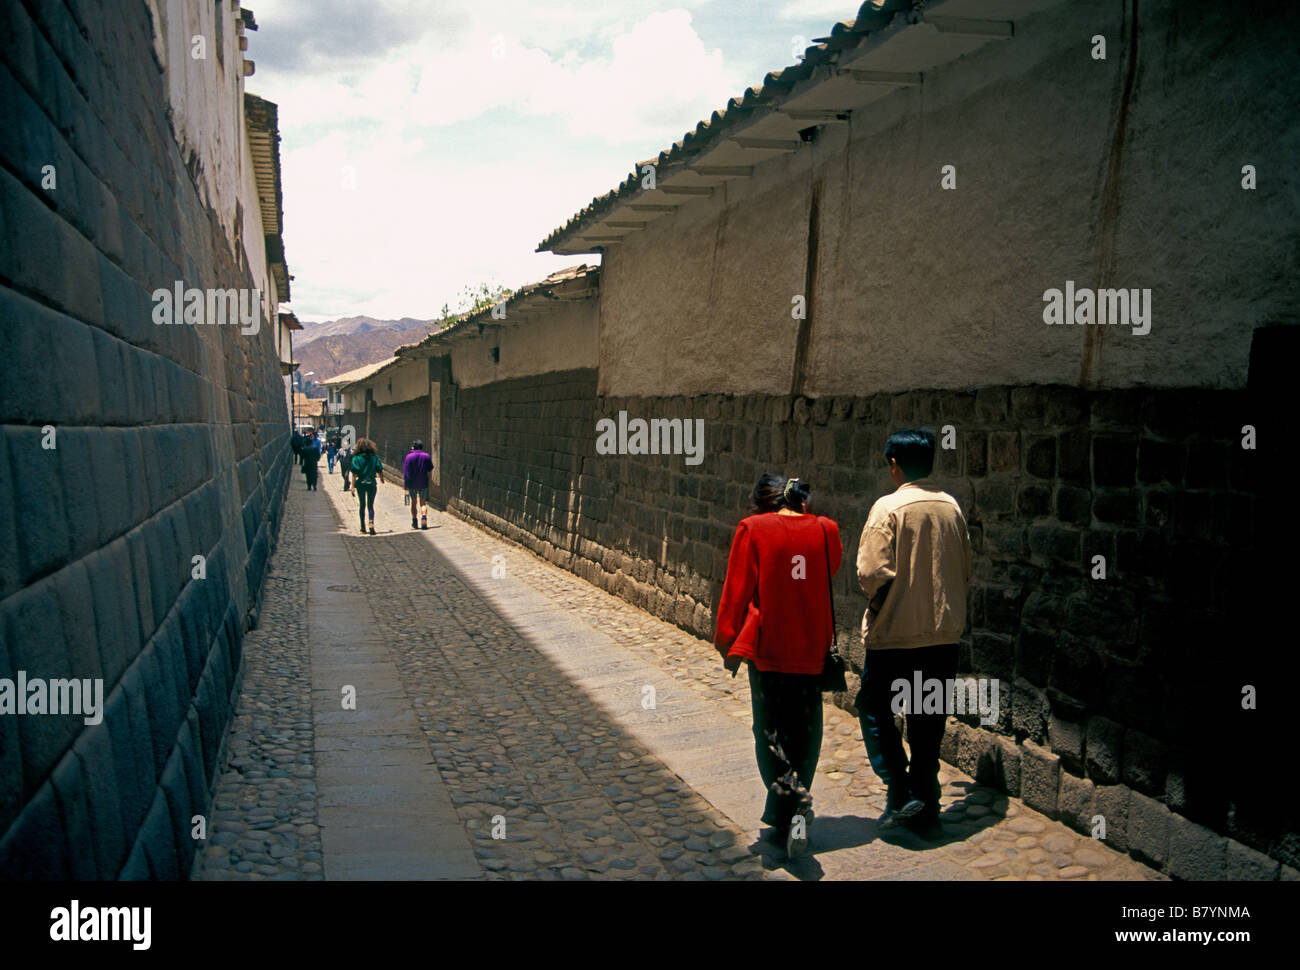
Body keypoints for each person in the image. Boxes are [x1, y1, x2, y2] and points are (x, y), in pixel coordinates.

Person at [714, 473, 842, 860]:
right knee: (805, 732)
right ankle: (787, 814)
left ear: (761, 502)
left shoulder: (752, 529)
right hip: (811, 647)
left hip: (770, 649)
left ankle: (793, 804)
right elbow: (828, 570)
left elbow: (736, 589)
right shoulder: (825, 530)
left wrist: (727, 639)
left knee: (769, 733)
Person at [855, 429, 972, 837]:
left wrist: (880, 603)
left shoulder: (889, 507)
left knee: (874, 707)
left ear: (894, 464)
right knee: (927, 721)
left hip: (896, 637)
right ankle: (927, 804)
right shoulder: (952, 507)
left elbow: (872, 572)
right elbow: (964, 567)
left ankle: (901, 788)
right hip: (941, 637)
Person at [350, 438, 384, 534]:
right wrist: (382, 478)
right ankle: (371, 525)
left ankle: (362, 526)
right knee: (370, 506)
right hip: (371, 483)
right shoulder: (374, 457)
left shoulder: (356, 458)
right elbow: (380, 469)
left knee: (362, 505)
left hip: (360, 484)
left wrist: (352, 486)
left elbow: (354, 474)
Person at [402, 440, 434, 530]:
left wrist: (405, 484)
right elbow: (430, 468)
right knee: (423, 503)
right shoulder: (426, 456)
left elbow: (406, 473)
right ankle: (424, 518)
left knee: (414, 502)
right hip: (423, 482)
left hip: (412, 484)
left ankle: (414, 521)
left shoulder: (409, 457)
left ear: (413, 447)